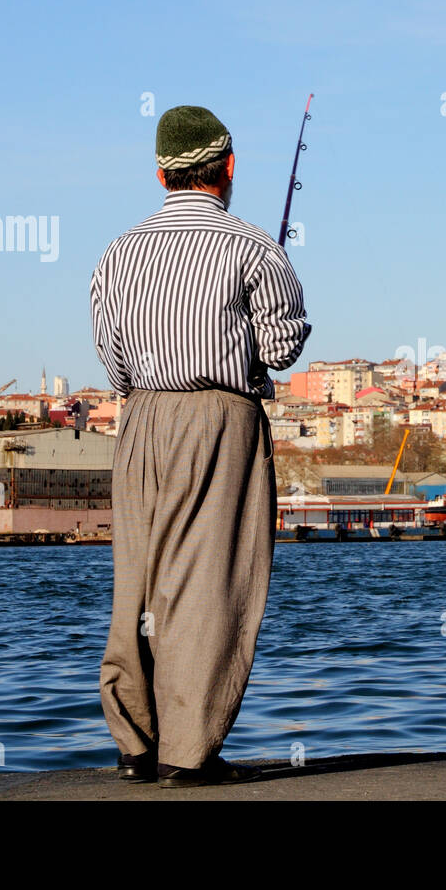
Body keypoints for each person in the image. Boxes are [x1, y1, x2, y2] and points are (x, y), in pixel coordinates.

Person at [90, 105, 311, 786]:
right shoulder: (252, 247)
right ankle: (189, 754)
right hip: (220, 416)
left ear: (161, 173)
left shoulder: (119, 251)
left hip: (141, 419)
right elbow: (282, 346)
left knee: (141, 580)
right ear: (230, 167)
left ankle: (135, 745)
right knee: (210, 582)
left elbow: (113, 359)